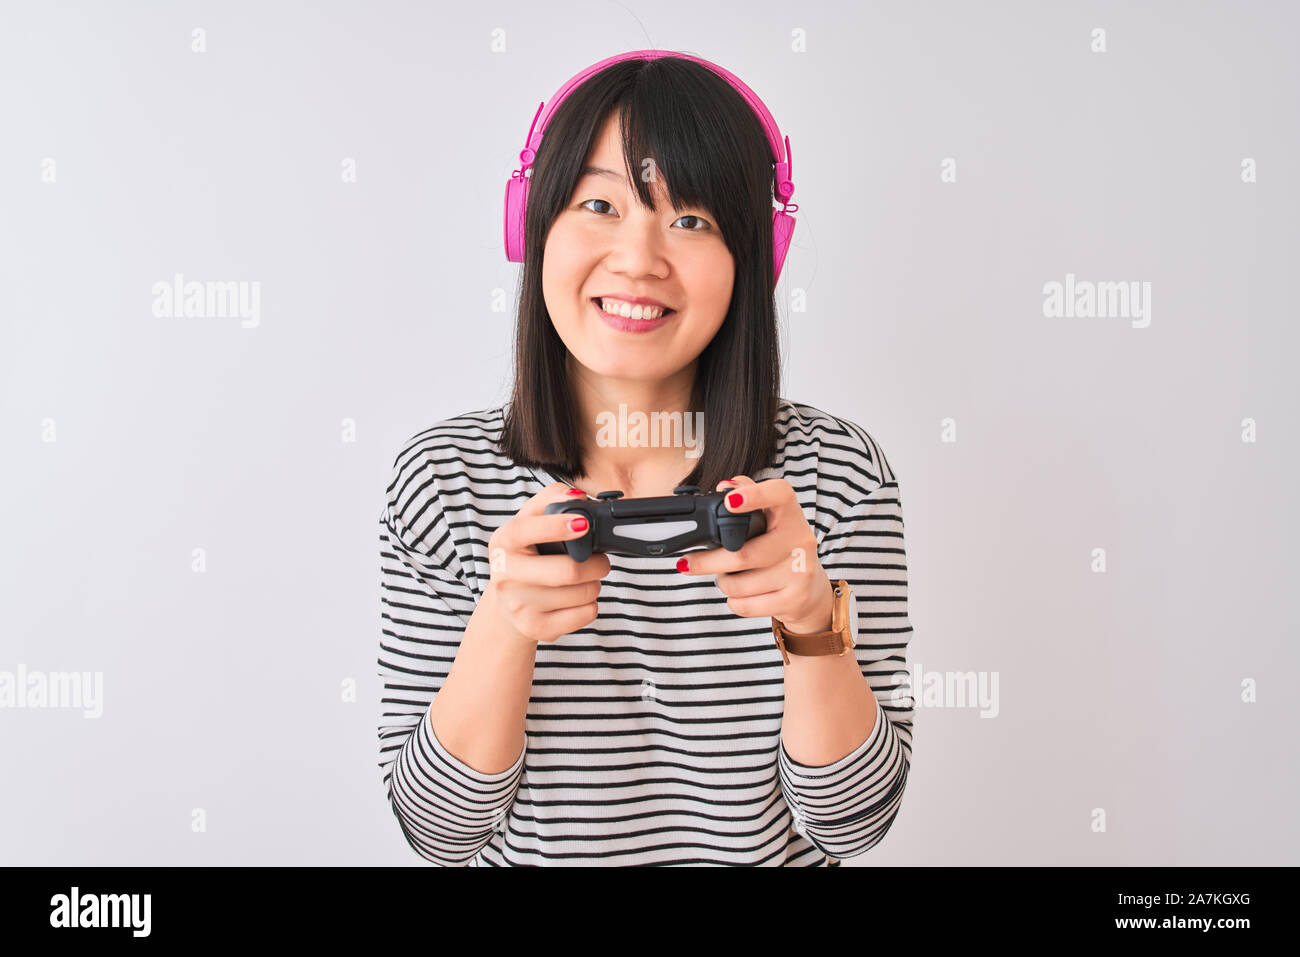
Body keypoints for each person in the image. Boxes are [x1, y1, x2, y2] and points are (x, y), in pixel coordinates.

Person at [378, 52, 914, 866]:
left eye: (691, 219)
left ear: (754, 257)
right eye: (599, 203)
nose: (638, 258)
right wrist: (503, 622)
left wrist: (811, 626)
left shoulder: (838, 475)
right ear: (532, 223)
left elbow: (851, 826)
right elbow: (441, 834)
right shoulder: (442, 482)